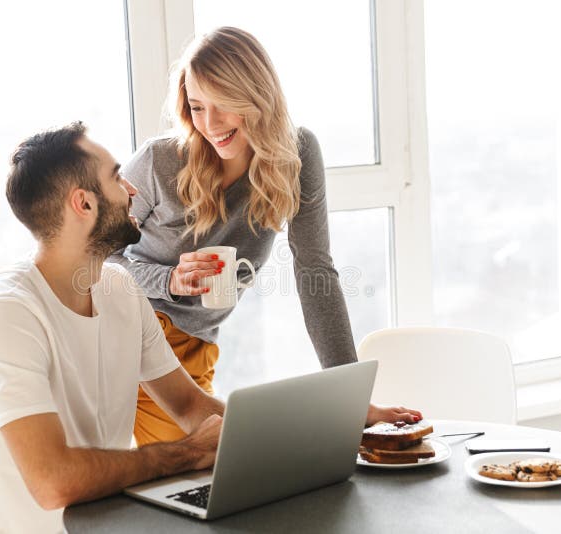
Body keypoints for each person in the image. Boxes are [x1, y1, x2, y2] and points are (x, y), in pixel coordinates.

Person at [110, 26, 421, 446]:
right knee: (189, 477)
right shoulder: (158, 160)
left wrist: (352, 397)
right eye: (197, 106)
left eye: (223, 104)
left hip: (194, 350)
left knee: (223, 477)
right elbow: (97, 256)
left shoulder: (297, 154)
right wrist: (167, 281)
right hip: (129, 337)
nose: (210, 124)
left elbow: (316, 272)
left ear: (256, 95)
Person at [0, 122, 224, 534]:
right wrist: (187, 453)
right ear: (83, 204)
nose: (132, 189)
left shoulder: (120, 287)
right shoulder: (7, 313)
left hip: (107, 524)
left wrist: (294, 429)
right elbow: (53, 482)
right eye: (117, 177)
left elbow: (190, 407)